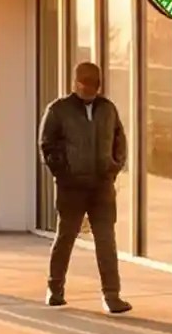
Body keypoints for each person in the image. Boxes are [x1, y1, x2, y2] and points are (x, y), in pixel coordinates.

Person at [38, 62, 132, 314]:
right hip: (71, 188)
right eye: (84, 85)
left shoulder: (107, 109)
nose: (88, 90)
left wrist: (114, 167)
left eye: (93, 86)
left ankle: (112, 296)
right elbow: (47, 146)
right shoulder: (58, 110)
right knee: (66, 237)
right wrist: (64, 173)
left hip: (101, 187)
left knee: (106, 241)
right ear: (75, 83)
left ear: (98, 85)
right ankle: (54, 290)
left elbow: (119, 139)